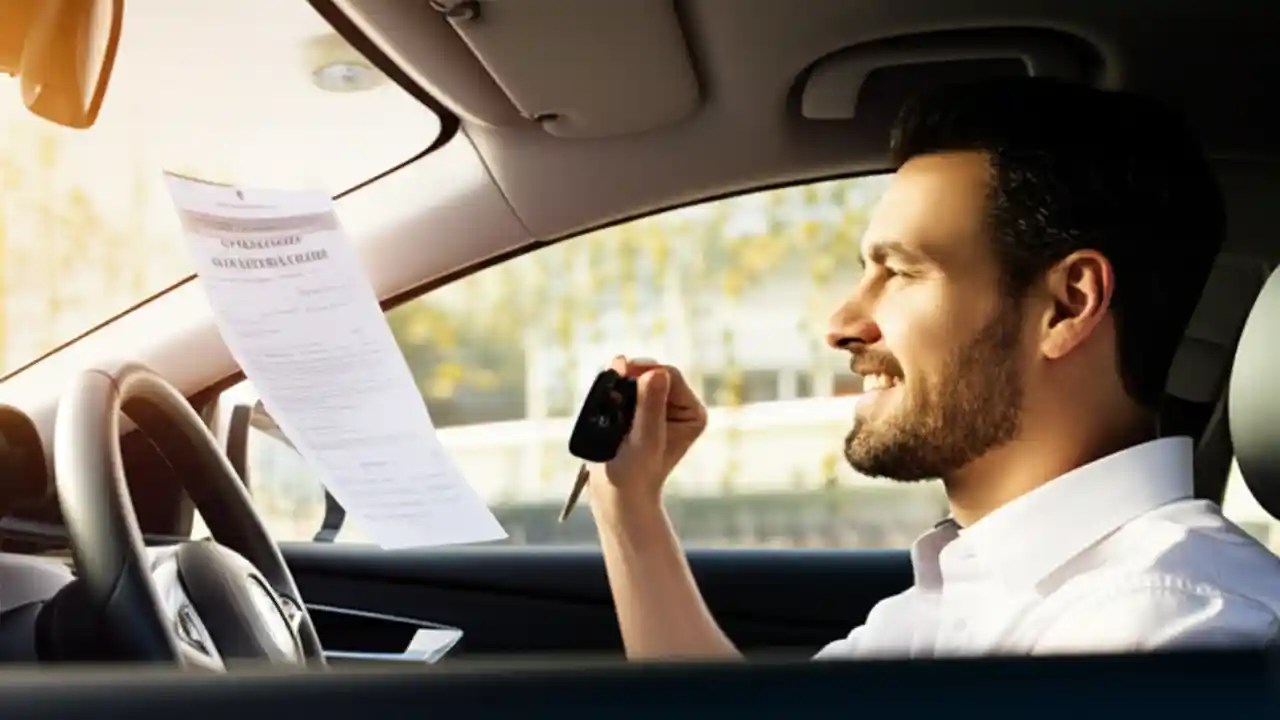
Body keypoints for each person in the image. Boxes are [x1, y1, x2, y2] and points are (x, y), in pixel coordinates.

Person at [588, 76, 1280, 660]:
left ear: (1068, 306)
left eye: (900, 271)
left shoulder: (1173, 631)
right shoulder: (955, 597)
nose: (840, 324)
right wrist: (628, 504)